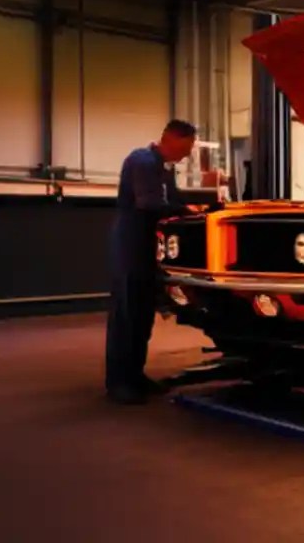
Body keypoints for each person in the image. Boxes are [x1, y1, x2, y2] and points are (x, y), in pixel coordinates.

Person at [105, 119, 197, 404]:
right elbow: (149, 203)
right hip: (131, 248)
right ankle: (119, 382)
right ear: (171, 139)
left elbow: (172, 200)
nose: (187, 154)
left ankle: (135, 375)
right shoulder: (142, 161)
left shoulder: (164, 169)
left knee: (142, 317)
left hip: (148, 250)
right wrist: (187, 210)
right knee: (127, 316)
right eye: (186, 148)